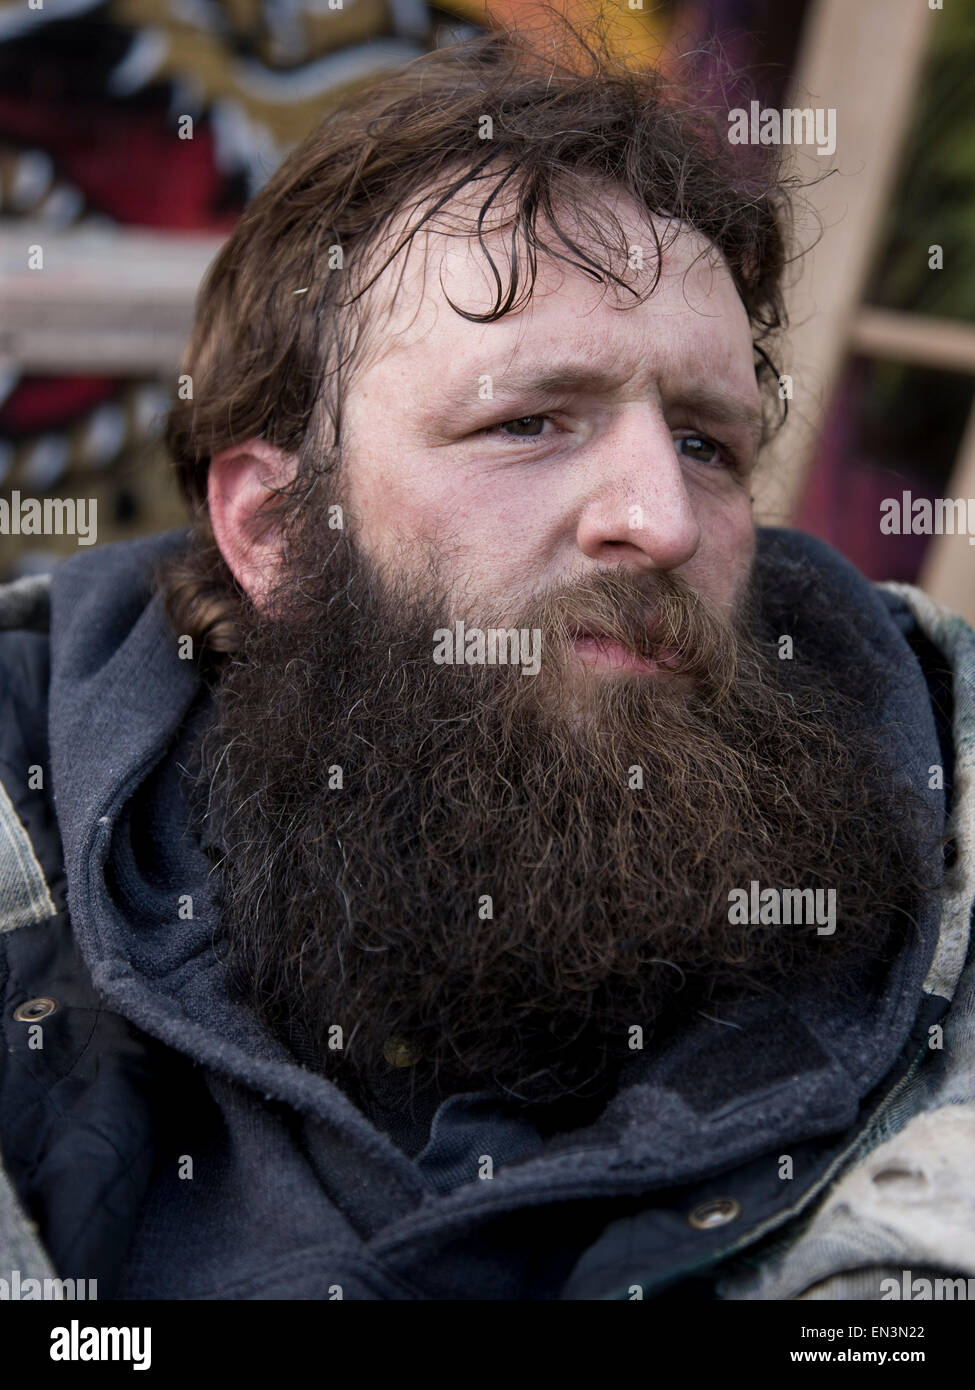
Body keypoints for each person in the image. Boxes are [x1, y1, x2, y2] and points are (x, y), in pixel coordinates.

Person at [1, 19, 973, 1303]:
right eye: (528, 422)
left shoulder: (937, 832)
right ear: (272, 529)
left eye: (705, 443)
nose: (661, 521)